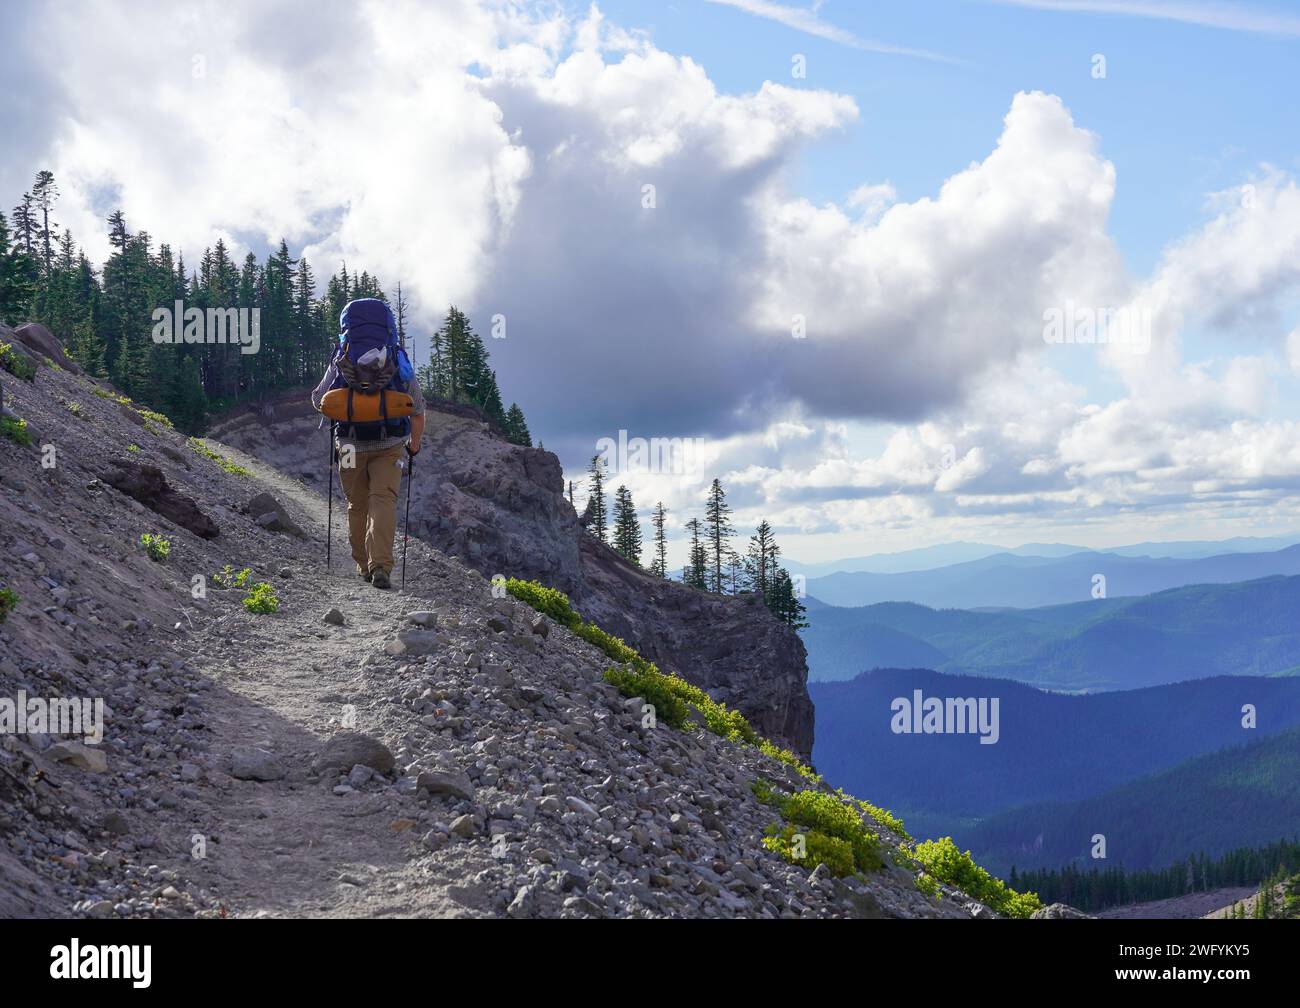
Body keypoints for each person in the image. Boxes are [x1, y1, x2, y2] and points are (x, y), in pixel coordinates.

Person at [311, 299, 424, 590]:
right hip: (391, 444)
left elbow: (318, 400)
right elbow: (418, 408)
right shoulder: (396, 356)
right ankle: (381, 567)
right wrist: (414, 444)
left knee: (356, 504)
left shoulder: (342, 355)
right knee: (383, 500)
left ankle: (362, 565)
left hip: (348, 446)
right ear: (389, 327)